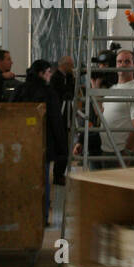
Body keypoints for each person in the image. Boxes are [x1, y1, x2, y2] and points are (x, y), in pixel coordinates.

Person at [13, 59, 68, 223]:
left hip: (20, 142)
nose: (51, 75)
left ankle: (22, 215)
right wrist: (62, 147)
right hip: (43, 143)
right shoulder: (48, 92)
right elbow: (56, 121)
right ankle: (41, 217)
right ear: (42, 73)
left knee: (22, 179)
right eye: (49, 72)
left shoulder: (20, 89)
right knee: (42, 180)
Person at [98, 49, 134, 161]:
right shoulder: (113, 88)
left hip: (121, 153)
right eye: (119, 61)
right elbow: (100, 113)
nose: (122, 64)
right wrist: (95, 88)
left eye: (127, 61)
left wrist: (128, 152)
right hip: (106, 150)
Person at [49, 55, 75, 183]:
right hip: (59, 113)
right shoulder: (55, 78)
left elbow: (72, 90)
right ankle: (58, 174)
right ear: (64, 65)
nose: (73, 67)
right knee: (61, 145)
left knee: (66, 145)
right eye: (71, 64)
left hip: (68, 113)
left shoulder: (69, 77)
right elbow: (56, 94)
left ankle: (62, 172)